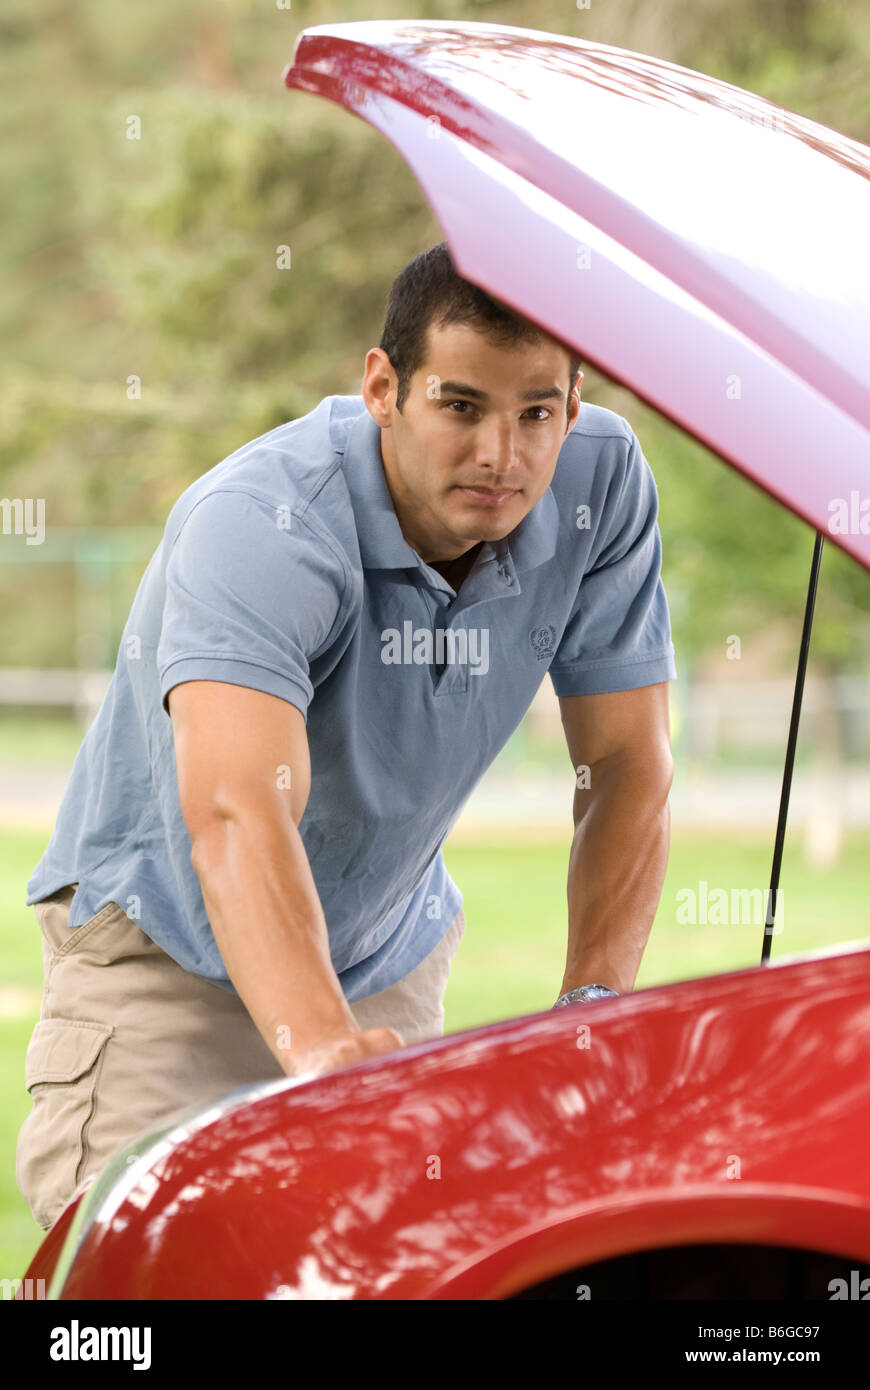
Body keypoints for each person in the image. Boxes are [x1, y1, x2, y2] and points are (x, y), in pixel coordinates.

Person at [18, 242, 676, 1232]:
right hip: (166, 959)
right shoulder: (262, 524)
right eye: (460, 406)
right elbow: (240, 811)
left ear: (575, 405)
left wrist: (592, 1008)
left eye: (537, 411)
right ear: (383, 387)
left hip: (384, 954)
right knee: (141, 1290)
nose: (503, 454)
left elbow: (627, 762)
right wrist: (320, 1051)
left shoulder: (602, 486)